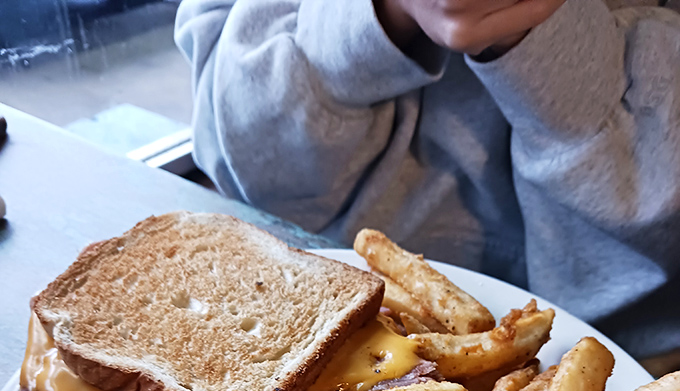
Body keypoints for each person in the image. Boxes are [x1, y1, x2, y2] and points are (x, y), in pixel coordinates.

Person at [174, 0, 680, 364]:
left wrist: (541, 40)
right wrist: (380, 14)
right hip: (295, 316)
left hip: (636, 355)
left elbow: (661, 218)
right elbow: (234, 147)